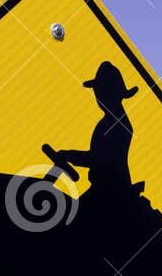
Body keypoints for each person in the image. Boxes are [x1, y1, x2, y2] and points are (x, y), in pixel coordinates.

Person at [49, 61, 138, 193]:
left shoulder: (118, 125)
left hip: (112, 193)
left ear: (113, 94)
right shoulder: (109, 121)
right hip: (104, 188)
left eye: (101, 91)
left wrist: (69, 155)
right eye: (97, 92)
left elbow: (100, 159)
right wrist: (68, 155)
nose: (98, 97)